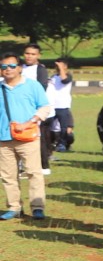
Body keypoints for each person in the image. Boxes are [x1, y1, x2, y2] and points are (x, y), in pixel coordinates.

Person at [0, 51, 53, 220]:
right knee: (8, 175)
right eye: (4, 66)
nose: (8, 69)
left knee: (33, 173)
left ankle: (37, 207)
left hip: (28, 137)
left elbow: (44, 107)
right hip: (4, 139)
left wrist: (30, 122)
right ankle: (14, 207)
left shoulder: (32, 85)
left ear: (20, 68)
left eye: (12, 66)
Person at [47, 59, 75, 154]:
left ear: (65, 66)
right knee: (49, 126)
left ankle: (62, 144)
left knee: (64, 127)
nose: (58, 67)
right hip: (51, 106)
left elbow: (64, 80)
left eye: (60, 65)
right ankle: (50, 143)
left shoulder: (68, 76)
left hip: (63, 105)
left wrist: (61, 68)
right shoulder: (53, 77)